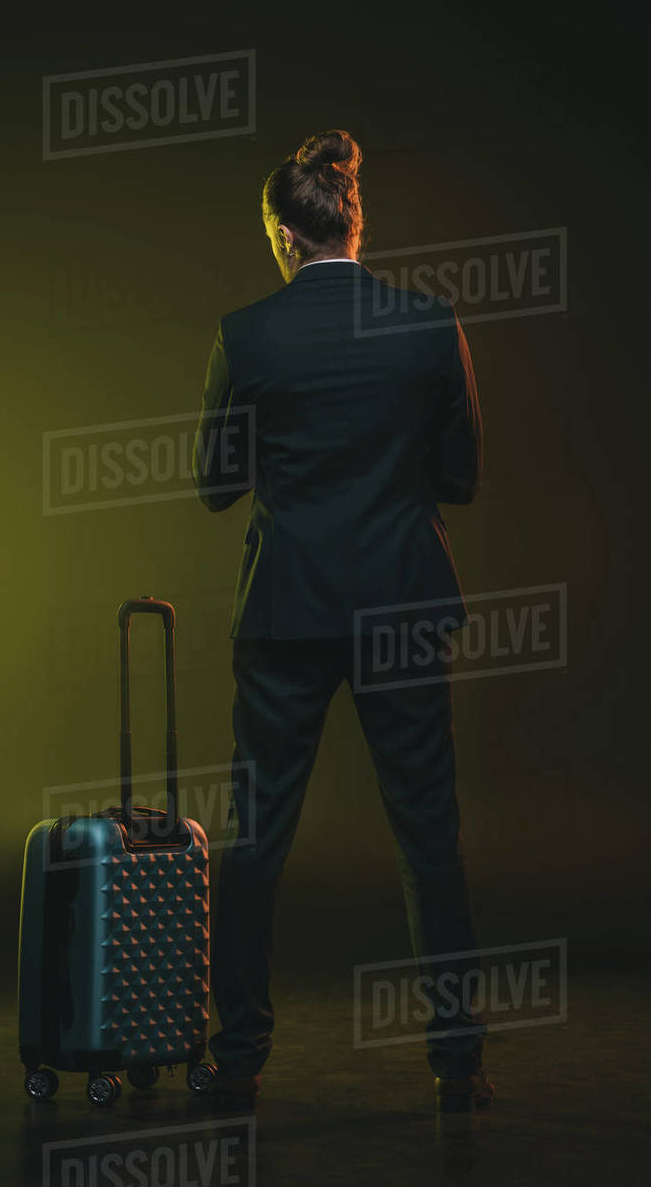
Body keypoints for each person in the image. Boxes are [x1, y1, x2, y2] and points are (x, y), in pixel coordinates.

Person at [191, 129, 493, 1111]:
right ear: (357, 224)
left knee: (255, 833)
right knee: (428, 834)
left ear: (283, 234)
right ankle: (458, 1063)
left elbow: (215, 489)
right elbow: (460, 477)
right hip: (402, 601)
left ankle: (237, 1057)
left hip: (286, 612)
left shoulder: (246, 335)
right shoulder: (429, 325)